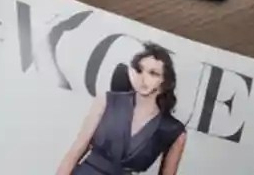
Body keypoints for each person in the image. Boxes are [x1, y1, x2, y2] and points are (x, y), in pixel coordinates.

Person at [56, 43, 188, 175]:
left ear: (165, 81)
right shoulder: (107, 101)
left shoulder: (172, 130)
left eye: (153, 73)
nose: (143, 78)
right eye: (139, 70)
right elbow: (76, 151)